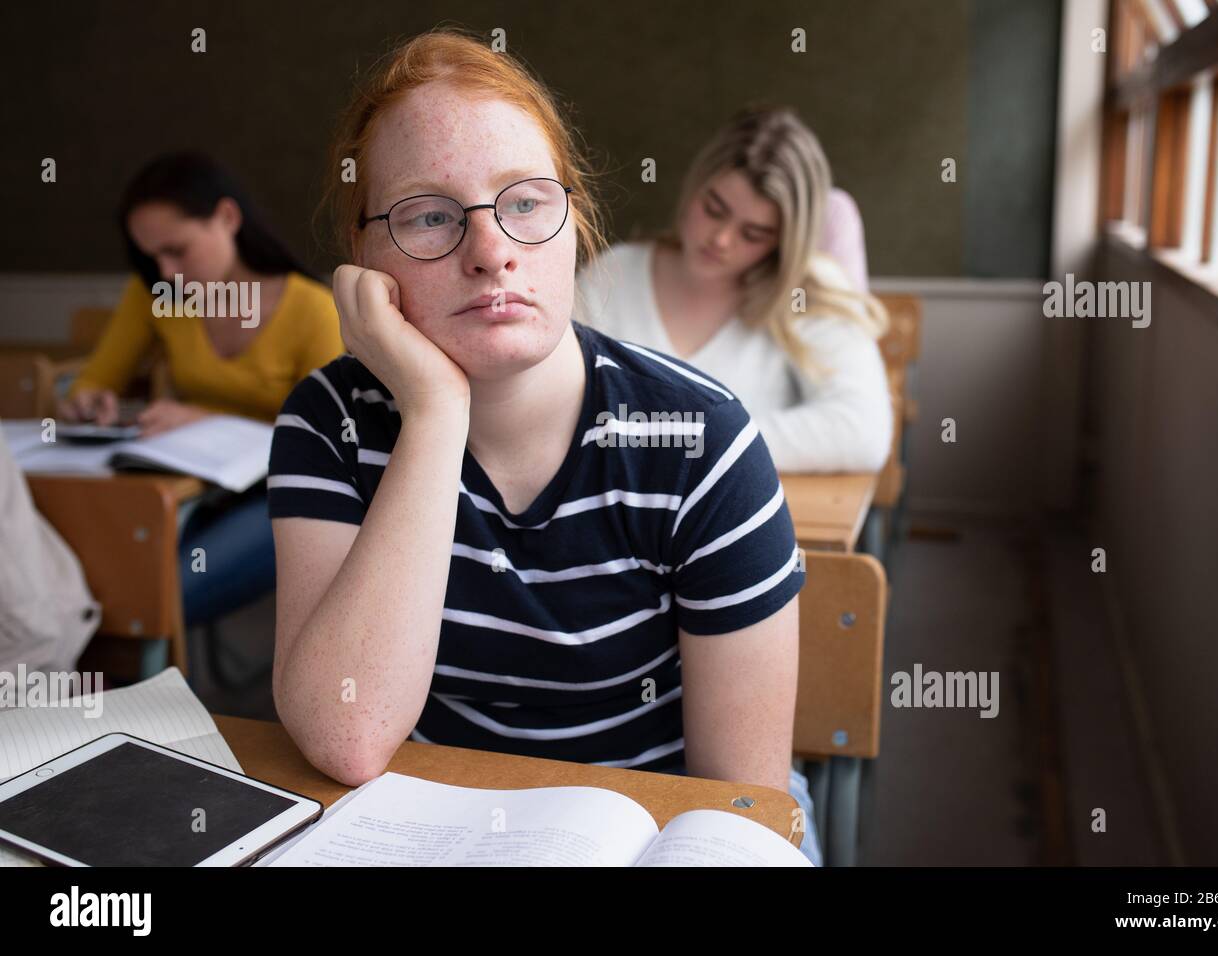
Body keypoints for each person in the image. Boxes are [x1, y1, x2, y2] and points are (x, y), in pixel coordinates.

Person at [267, 28, 822, 864]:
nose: (492, 253)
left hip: (666, 828)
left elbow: (733, 810)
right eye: (428, 216)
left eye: (525, 202)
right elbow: (348, 738)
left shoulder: (702, 441)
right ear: (367, 260)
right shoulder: (329, 424)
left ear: (573, 222)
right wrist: (434, 413)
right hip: (450, 826)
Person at [57, 153, 344, 631]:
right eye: (151, 257)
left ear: (227, 218)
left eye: (177, 250)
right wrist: (88, 399)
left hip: (286, 492)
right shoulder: (156, 293)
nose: (166, 272)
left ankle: (121, 690)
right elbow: (96, 378)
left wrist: (209, 420)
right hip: (193, 485)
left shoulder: (312, 311)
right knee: (97, 572)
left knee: (156, 593)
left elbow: (328, 443)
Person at [577, 107, 893, 474]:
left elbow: (862, 432)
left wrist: (690, 440)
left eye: (753, 233)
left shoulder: (806, 291)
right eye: (714, 209)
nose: (721, 240)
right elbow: (548, 398)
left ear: (784, 242)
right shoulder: (615, 271)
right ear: (694, 187)